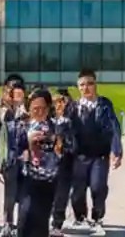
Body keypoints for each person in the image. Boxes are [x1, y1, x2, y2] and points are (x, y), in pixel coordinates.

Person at [69, 69, 123, 237]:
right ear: (78, 87)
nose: (86, 88)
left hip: (99, 156)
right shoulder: (73, 107)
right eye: (82, 85)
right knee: (77, 191)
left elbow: (114, 128)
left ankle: (97, 218)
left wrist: (116, 151)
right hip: (79, 157)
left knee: (98, 187)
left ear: (95, 85)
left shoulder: (104, 105)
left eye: (90, 84)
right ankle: (80, 218)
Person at [13, 88, 72, 237]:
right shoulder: (22, 126)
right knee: (24, 219)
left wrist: (56, 142)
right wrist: (28, 141)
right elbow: (12, 152)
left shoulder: (57, 126)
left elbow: (70, 147)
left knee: (40, 223)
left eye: (43, 108)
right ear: (29, 108)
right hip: (27, 179)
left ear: (48, 108)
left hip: (48, 181)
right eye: (35, 109)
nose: (39, 112)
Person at [0, 76, 29, 237]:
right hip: (8, 159)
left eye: (18, 89)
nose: (13, 93)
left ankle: (23, 223)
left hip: (26, 159)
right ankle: (8, 223)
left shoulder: (28, 109)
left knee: (25, 193)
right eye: (10, 90)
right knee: (10, 193)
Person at [49, 89, 78, 237]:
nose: (59, 105)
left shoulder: (71, 123)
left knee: (61, 195)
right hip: (48, 165)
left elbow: (74, 144)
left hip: (65, 164)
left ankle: (57, 224)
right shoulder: (48, 122)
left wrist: (63, 145)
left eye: (62, 102)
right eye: (56, 102)